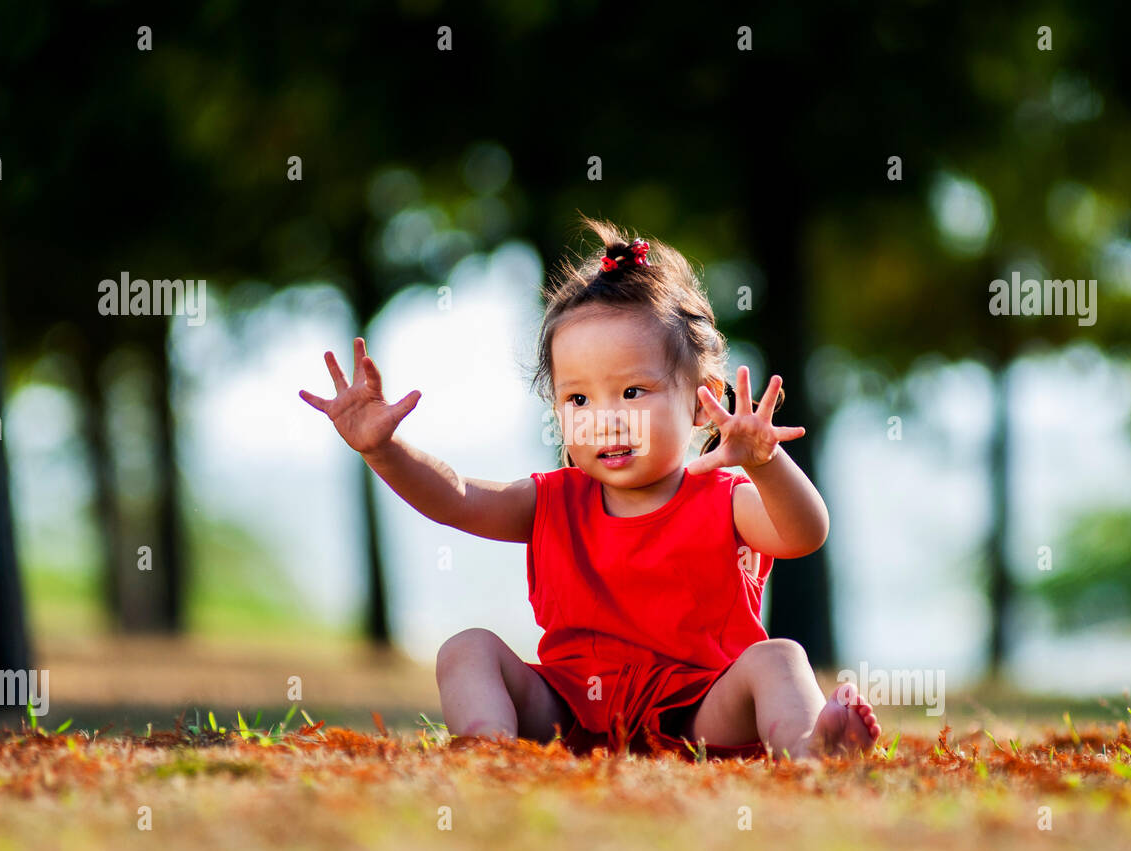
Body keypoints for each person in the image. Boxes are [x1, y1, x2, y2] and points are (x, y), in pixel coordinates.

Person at [299, 215, 881, 761]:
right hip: (570, 711)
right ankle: (490, 751)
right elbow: (455, 498)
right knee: (467, 648)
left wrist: (767, 462)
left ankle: (808, 746)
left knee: (779, 658)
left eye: (633, 392)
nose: (606, 418)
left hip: (699, 714)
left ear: (703, 401)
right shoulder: (551, 501)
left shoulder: (723, 498)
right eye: (578, 399)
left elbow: (803, 533)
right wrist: (383, 449)